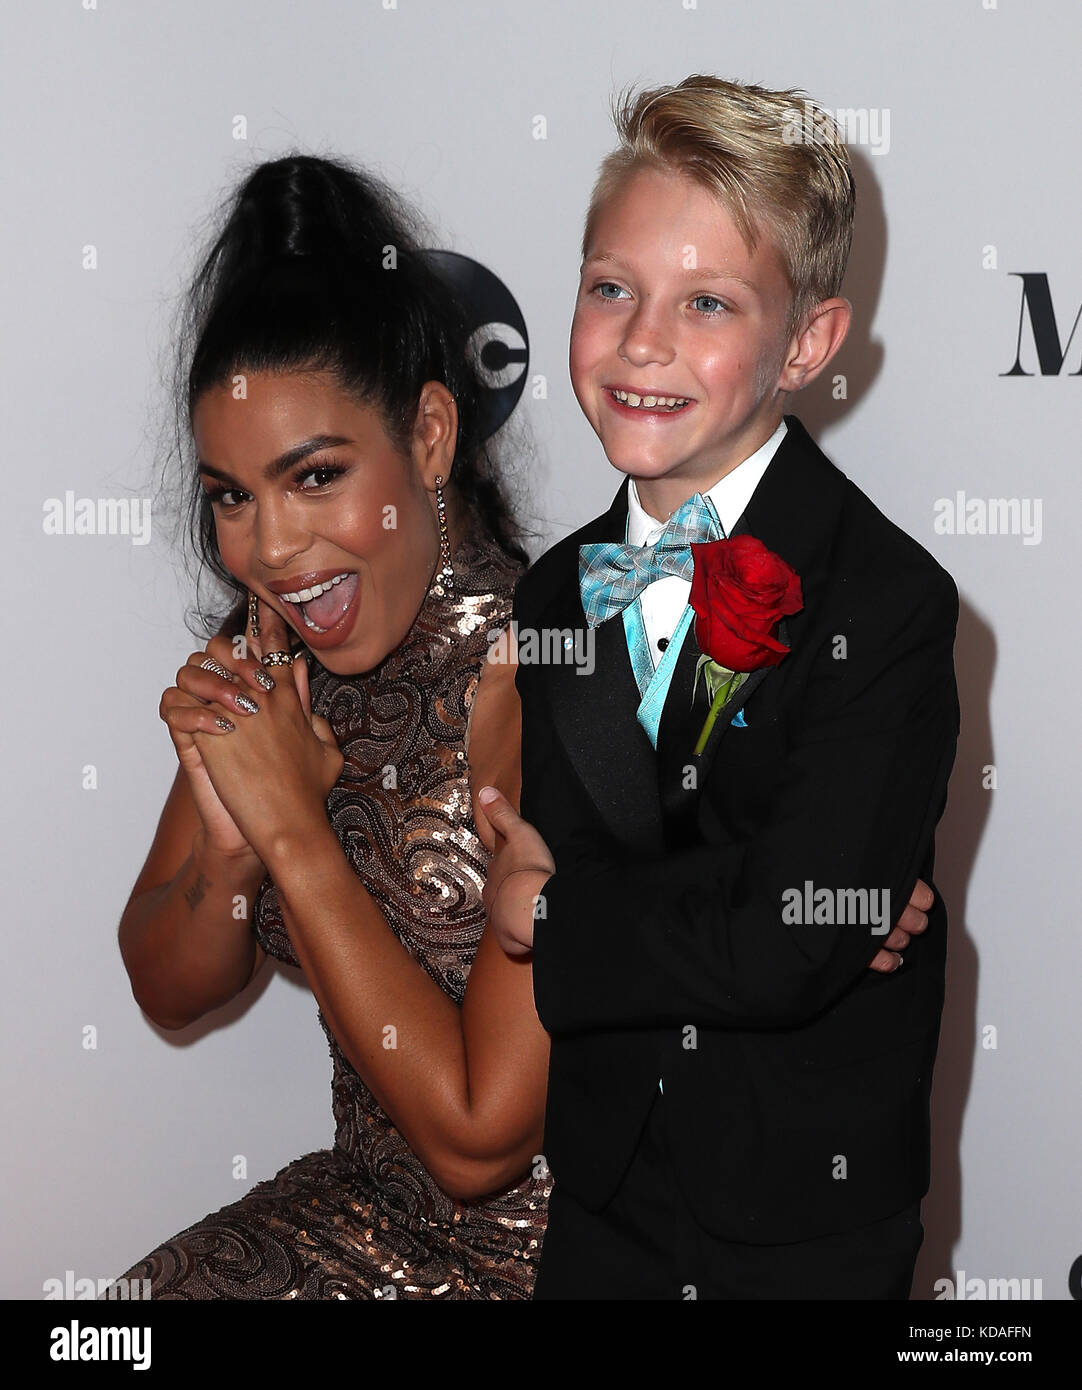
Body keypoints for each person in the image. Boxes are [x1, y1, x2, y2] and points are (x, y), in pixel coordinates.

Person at [483, 75, 960, 1299]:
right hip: (601, 1196)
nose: (641, 341)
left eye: (705, 302)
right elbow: (760, 901)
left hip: (805, 1211)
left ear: (804, 343)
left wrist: (553, 916)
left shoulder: (882, 599)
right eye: (610, 288)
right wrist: (798, 897)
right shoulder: (550, 599)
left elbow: (777, 939)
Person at [114, 154, 553, 1299]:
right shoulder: (276, 656)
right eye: (231, 496)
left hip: (566, 1263)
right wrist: (229, 838)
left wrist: (296, 834)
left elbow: (476, 1145)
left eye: (314, 477)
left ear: (431, 438)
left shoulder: (551, 671)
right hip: (363, 1217)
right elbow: (171, 984)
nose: (269, 548)